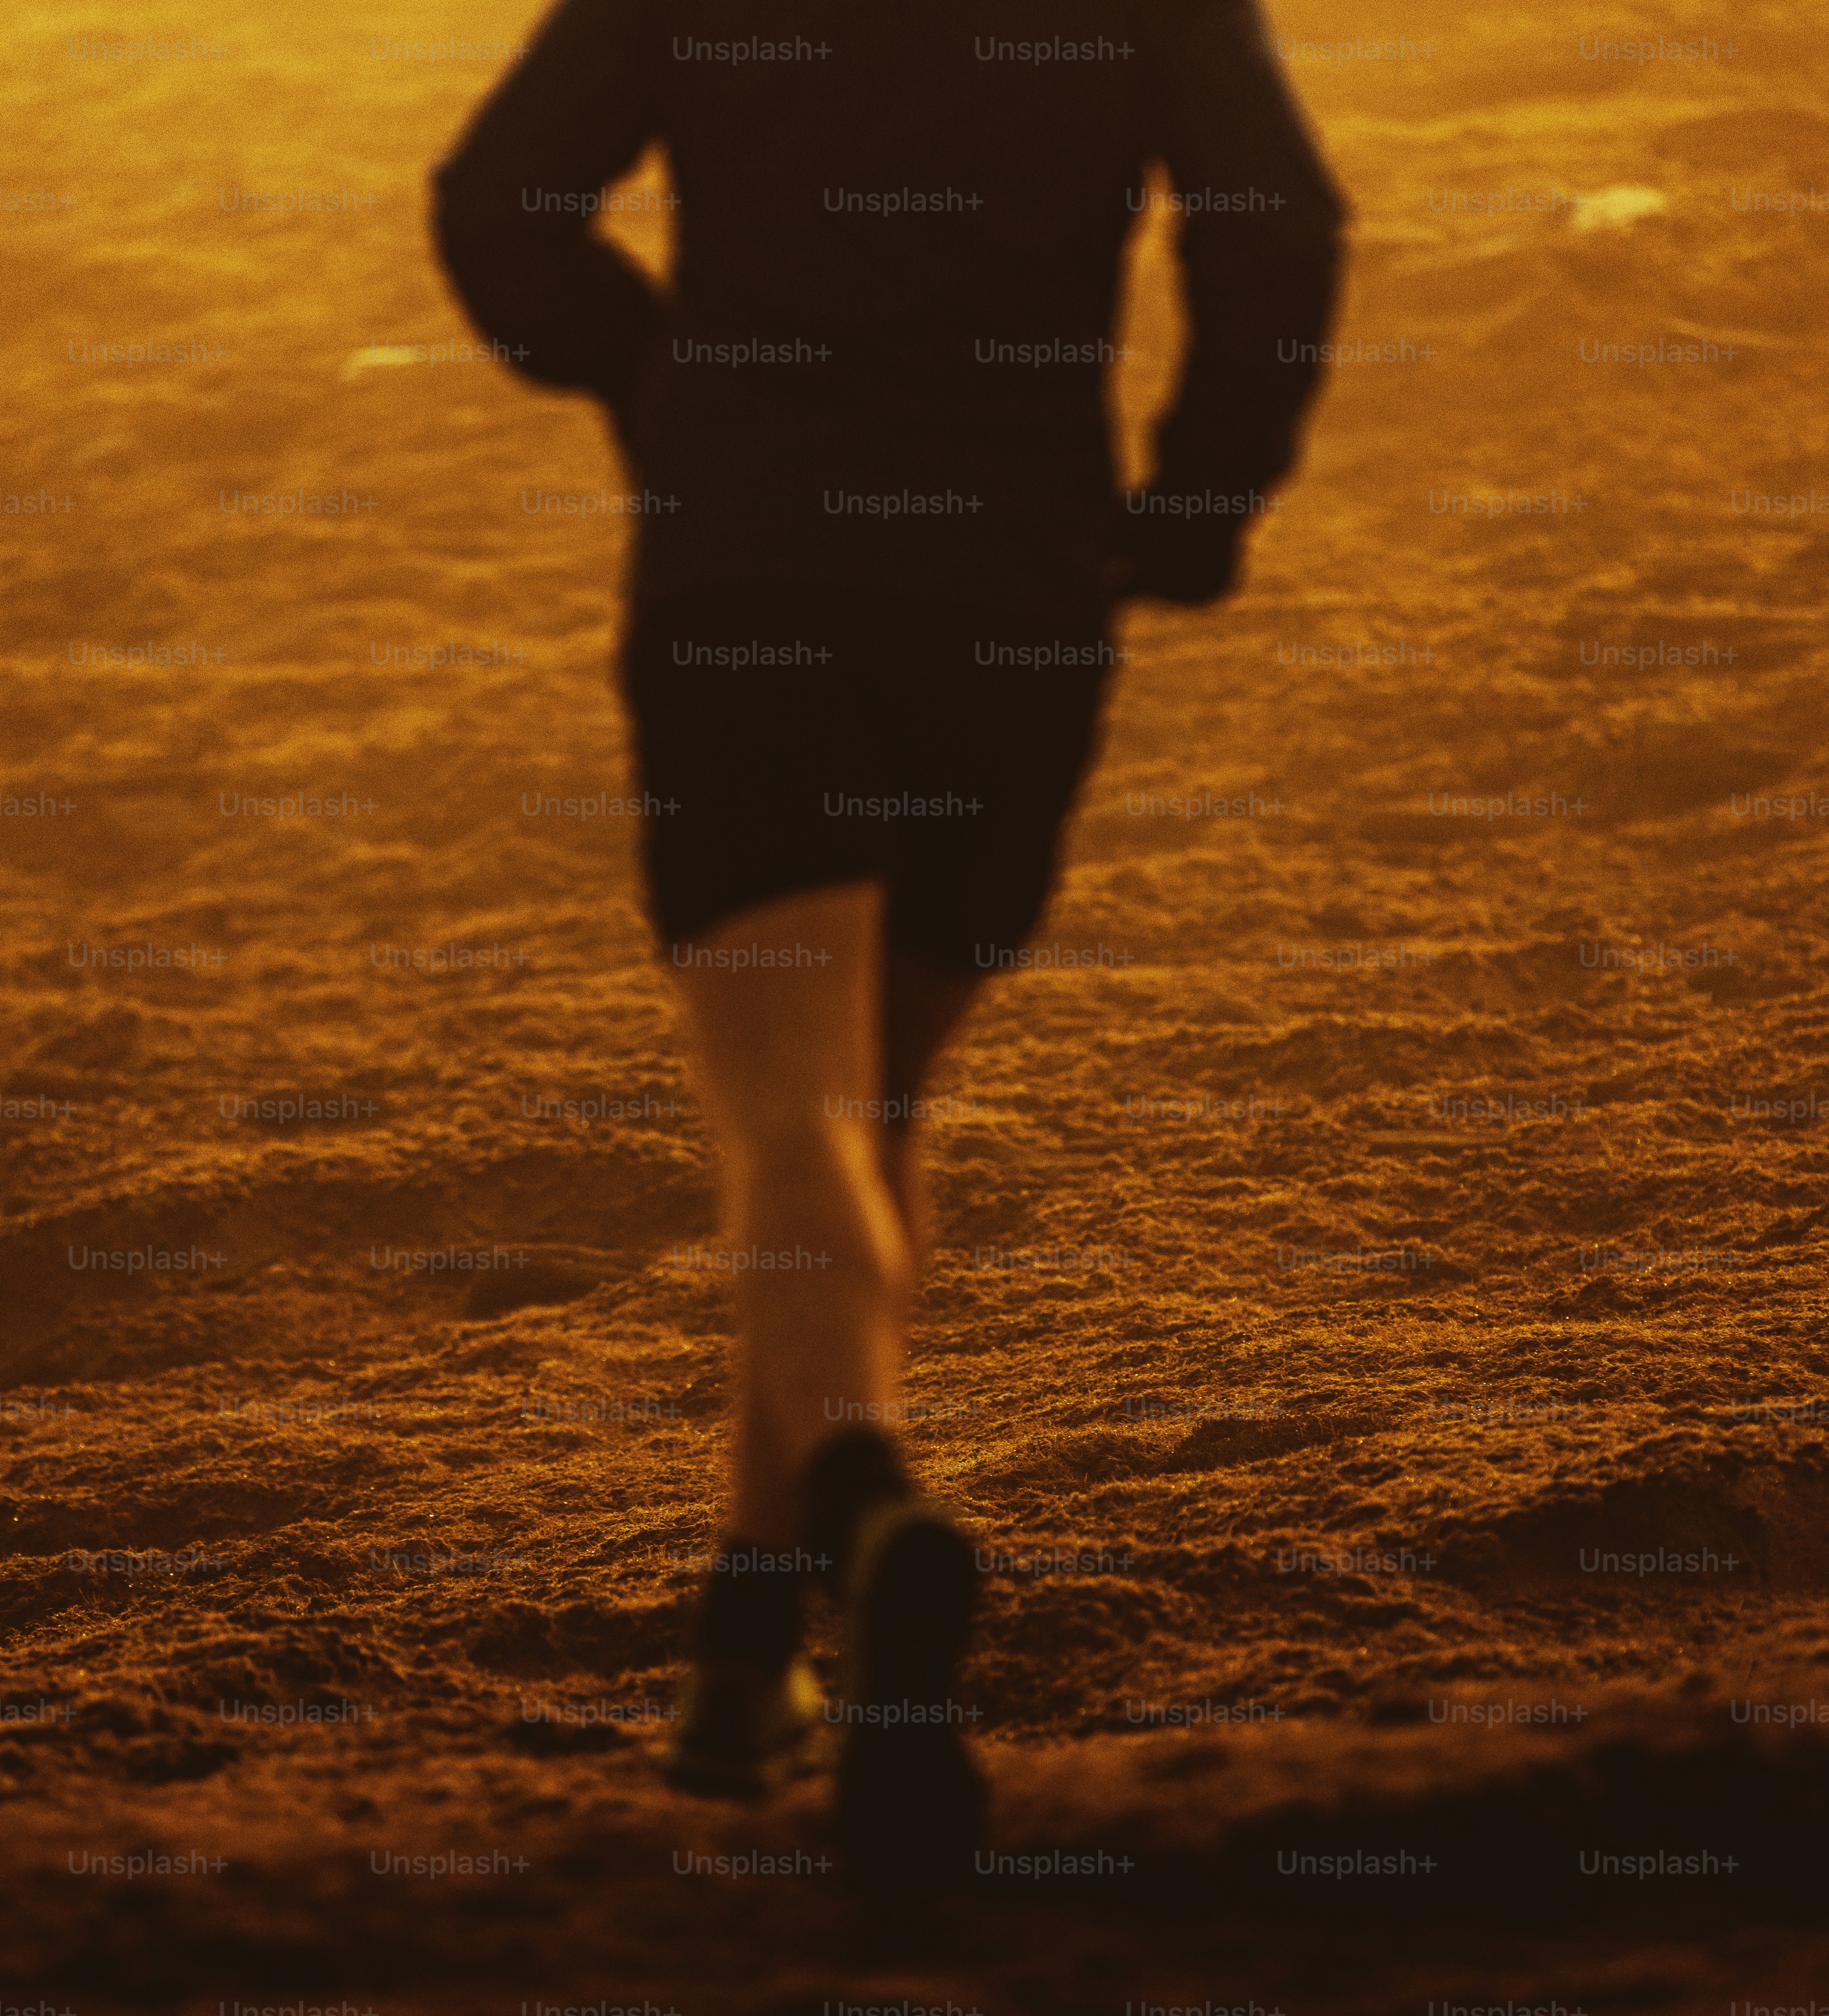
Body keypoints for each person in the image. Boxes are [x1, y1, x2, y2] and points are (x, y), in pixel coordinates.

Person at [430, 0, 1345, 1895]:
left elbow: (496, 203)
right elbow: (1276, 220)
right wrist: (1197, 497)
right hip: (1010, 604)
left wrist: (660, 376)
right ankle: (750, 1662)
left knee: (788, 1123)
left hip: (749, 574)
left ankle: (861, 1498)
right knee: (869, 1122)